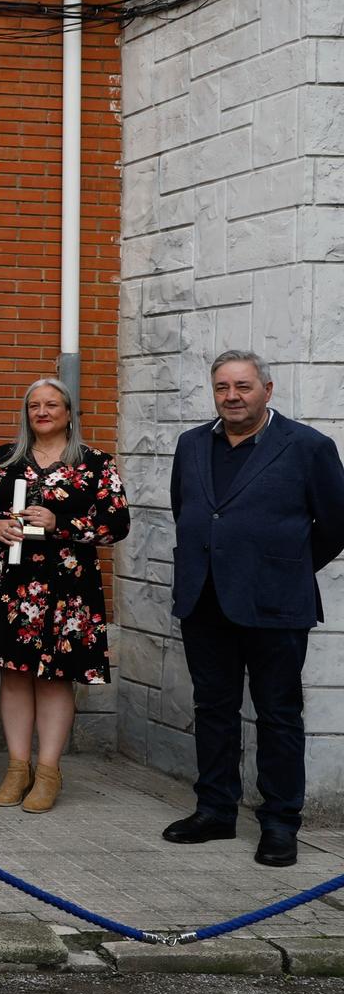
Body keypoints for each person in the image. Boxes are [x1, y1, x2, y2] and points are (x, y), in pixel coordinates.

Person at [162, 351, 344, 868]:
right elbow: (186, 509)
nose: (232, 396)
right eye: (222, 387)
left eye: (243, 386)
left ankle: (280, 823)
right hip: (205, 600)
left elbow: (335, 523)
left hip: (275, 602)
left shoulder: (307, 446)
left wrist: (285, 566)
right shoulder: (192, 443)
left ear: (267, 389)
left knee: (278, 714)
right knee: (213, 710)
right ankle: (215, 810)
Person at [0, 377, 129, 813]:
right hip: (8, 586)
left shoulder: (94, 464)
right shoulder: (3, 459)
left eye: (52, 405)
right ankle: (17, 768)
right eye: (34, 406)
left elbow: (116, 525)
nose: (42, 412)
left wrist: (59, 524)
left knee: (54, 677)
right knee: (13, 674)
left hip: (65, 590)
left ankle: (48, 771)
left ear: (69, 413)